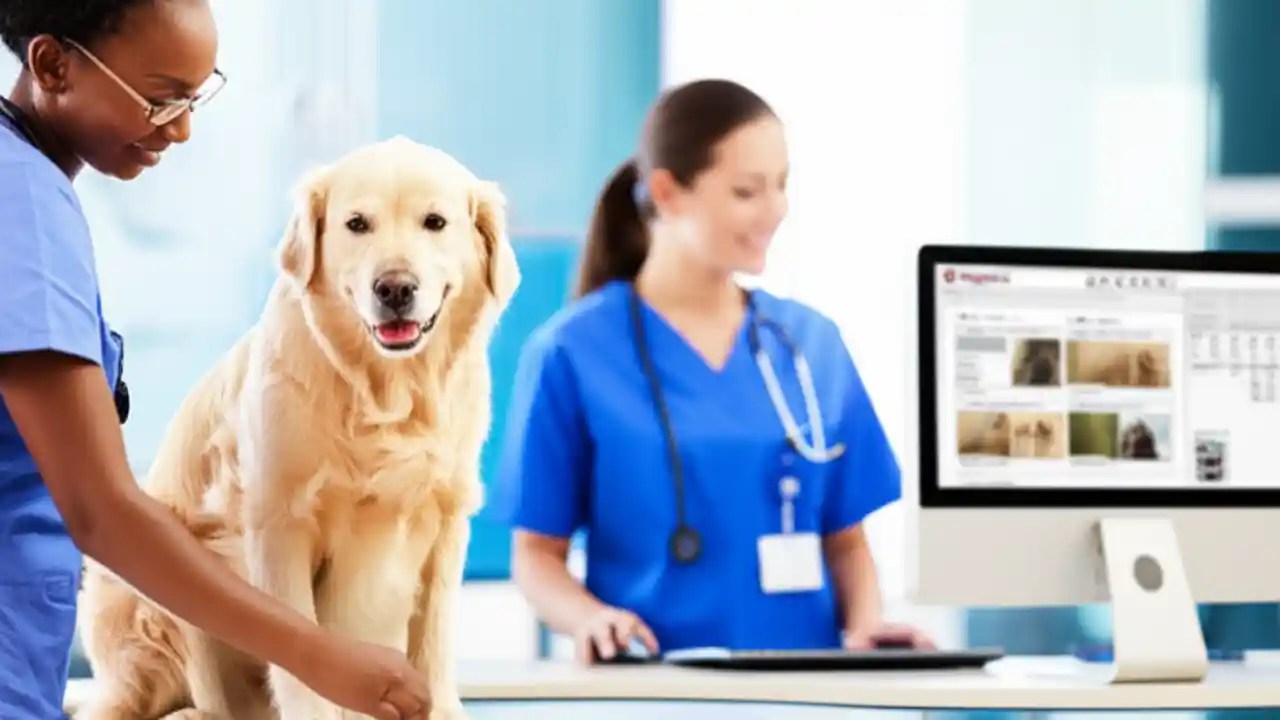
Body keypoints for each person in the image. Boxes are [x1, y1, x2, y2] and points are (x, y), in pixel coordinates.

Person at [0, 2, 428, 718]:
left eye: (195, 99)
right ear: (53, 65)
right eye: (160, 99)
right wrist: (317, 655)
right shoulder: (25, 208)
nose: (182, 128)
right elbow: (102, 509)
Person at [494, 78, 933, 664]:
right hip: (658, 693)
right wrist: (591, 619)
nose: (775, 210)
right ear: (669, 193)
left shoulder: (811, 344)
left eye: (782, 186)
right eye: (747, 191)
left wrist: (867, 628)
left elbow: (846, 542)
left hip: (814, 691)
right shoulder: (572, 351)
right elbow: (536, 557)